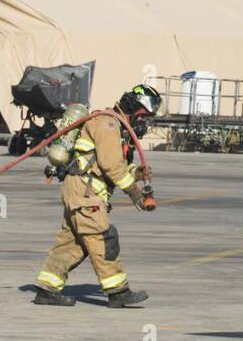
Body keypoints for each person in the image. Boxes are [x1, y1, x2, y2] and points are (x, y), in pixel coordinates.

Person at [32, 84, 161, 308]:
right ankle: (118, 291)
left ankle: (47, 289)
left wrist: (137, 173)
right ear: (135, 108)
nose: (144, 122)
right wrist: (137, 196)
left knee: (71, 244)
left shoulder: (113, 125)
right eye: (144, 116)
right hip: (85, 192)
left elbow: (111, 166)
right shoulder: (108, 124)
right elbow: (112, 168)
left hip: (81, 189)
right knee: (102, 238)